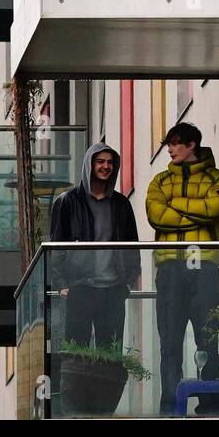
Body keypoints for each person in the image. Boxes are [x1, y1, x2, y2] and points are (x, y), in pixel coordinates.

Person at [145, 122, 219, 415]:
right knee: (170, 342)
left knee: (207, 337)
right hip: (169, 268)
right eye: (169, 144)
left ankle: (211, 404)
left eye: (175, 143)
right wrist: (196, 211)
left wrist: (175, 207)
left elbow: (216, 208)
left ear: (192, 145)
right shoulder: (158, 181)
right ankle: (170, 406)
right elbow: (155, 215)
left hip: (204, 267)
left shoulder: (218, 177)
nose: (169, 149)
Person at [49, 142, 140, 349]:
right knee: (75, 353)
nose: (105, 166)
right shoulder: (68, 201)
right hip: (79, 287)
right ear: (89, 164)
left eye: (110, 162)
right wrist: (62, 283)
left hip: (114, 288)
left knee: (110, 354)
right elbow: (57, 245)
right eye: (100, 161)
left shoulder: (121, 204)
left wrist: (128, 280)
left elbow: (132, 245)